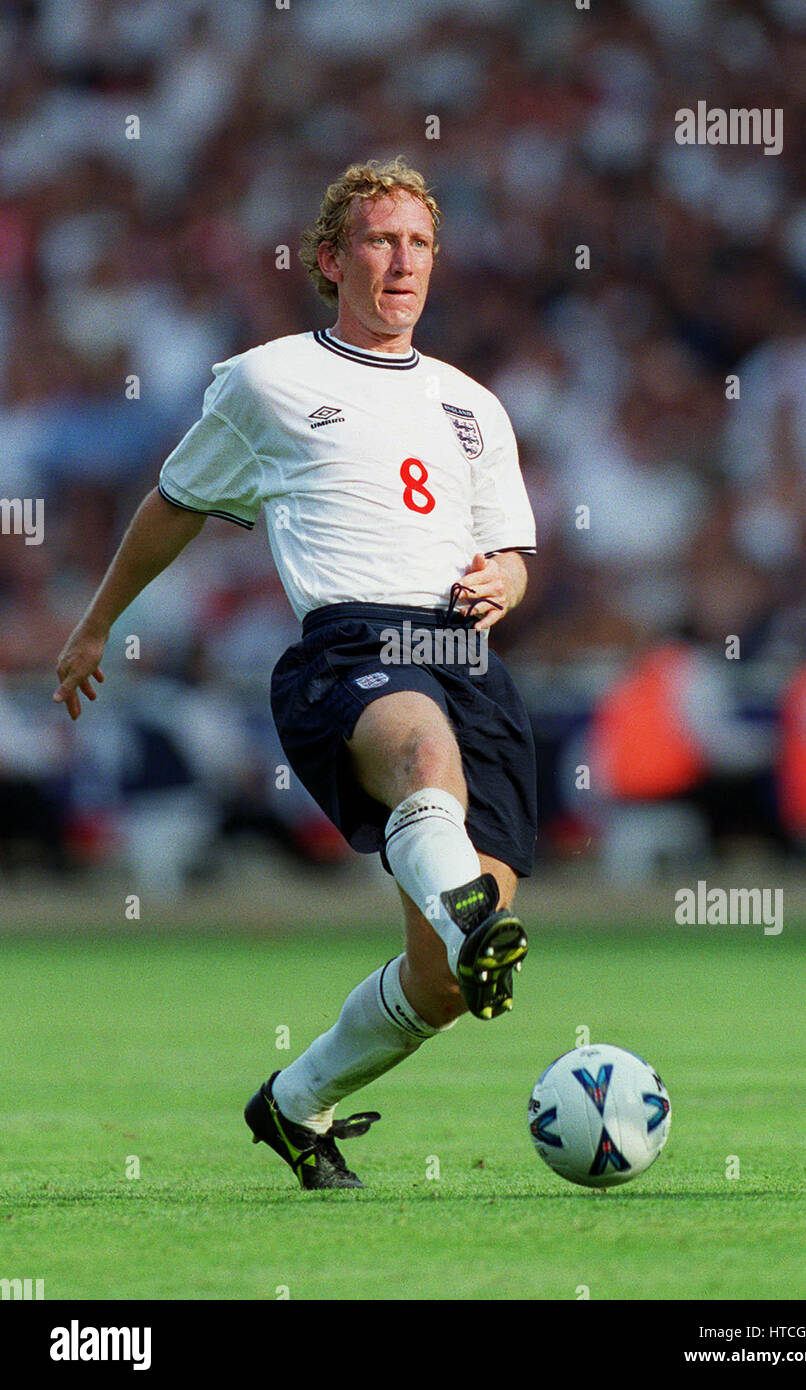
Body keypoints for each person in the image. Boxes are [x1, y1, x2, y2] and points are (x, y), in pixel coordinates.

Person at [53, 157, 538, 1190]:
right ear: (331, 259)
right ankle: (465, 910)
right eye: (379, 240)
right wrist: (96, 625)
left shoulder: (473, 407)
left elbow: (510, 556)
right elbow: (174, 502)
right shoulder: (266, 379)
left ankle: (292, 1102)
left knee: (442, 985)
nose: (401, 260)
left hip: (466, 658)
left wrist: (507, 576)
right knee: (420, 757)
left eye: (417, 243)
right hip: (350, 648)